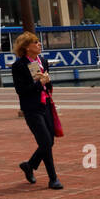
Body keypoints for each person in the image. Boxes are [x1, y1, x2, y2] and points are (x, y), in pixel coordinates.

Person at [10, 32, 62, 189]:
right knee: (45, 141)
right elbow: (21, 90)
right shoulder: (18, 66)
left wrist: (47, 82)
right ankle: (53, 179)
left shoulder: (43, 61)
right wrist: (40, 83)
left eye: (39, 42)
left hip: (45, 104)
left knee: (49, 140)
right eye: (35, 42)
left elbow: (45, 84)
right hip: (32, 108)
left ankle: (29, 165)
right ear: (26, 47)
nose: (39, 44)